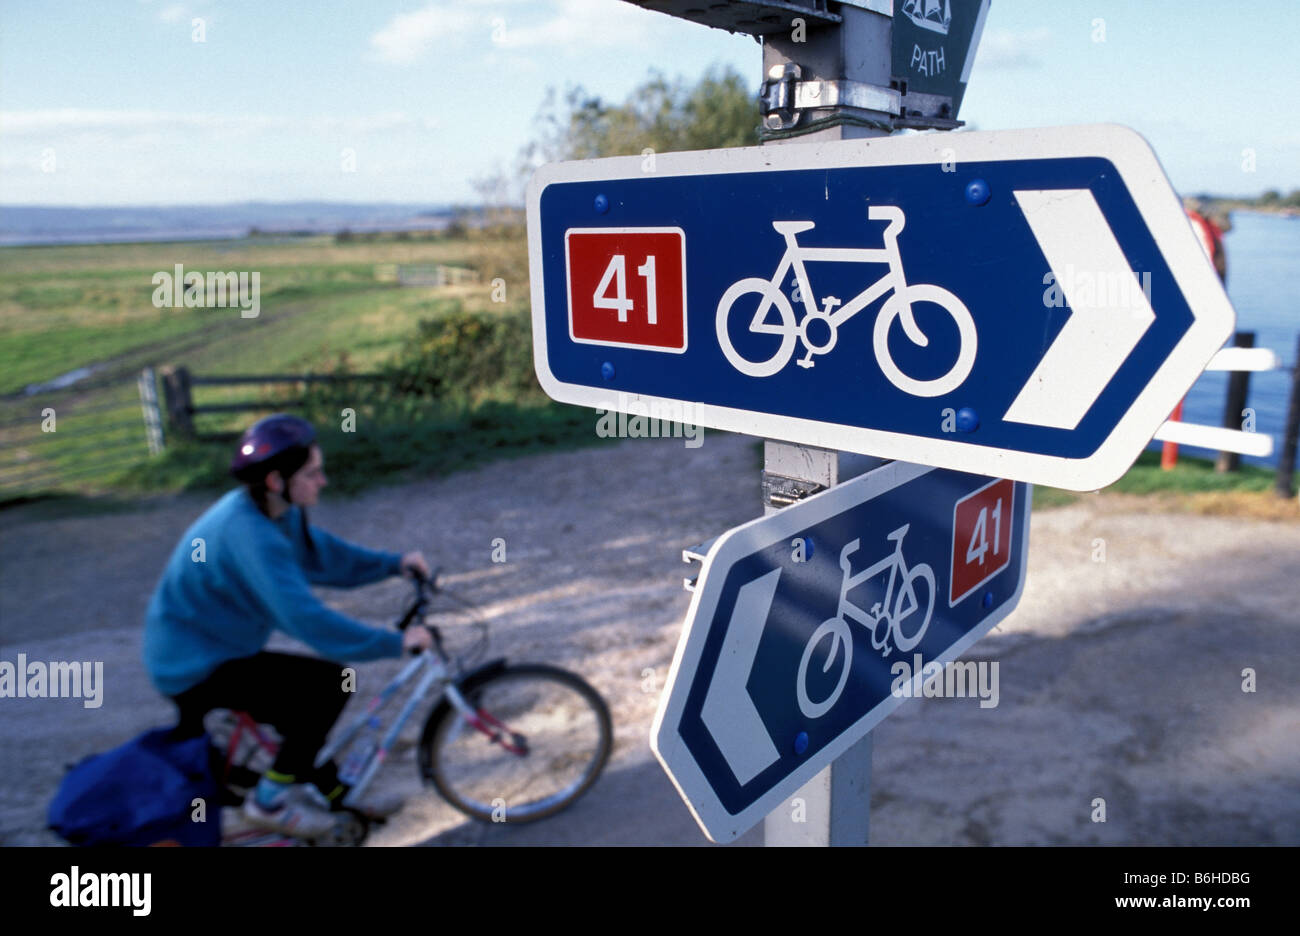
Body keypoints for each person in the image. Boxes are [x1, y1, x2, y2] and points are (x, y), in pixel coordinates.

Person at [141, 413, 433, 838]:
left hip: (214, 646)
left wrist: (393, 564)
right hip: (192, 666)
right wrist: (395, 642)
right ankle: (268, 802)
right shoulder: (250, 535)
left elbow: (322, 556)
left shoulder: (276, 510)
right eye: (313, 473)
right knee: (329, 687)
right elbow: (307, 621)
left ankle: (336, 798)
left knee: (303, 709)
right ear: (277, 480)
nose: (324, 481)